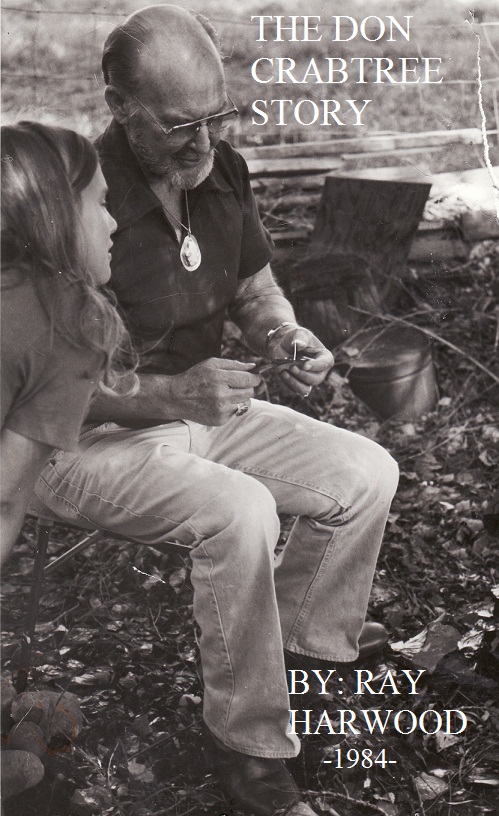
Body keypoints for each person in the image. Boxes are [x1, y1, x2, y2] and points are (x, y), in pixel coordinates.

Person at [34, 7, 399, 815]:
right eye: (177, 126)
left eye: (215, 118)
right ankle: (248, 744)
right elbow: (41, 384)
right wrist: (165, 395)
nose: (200, 143)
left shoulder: (221, 170)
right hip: (84, 442)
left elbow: (250, 286)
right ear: (117, 105)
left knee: (364, 473)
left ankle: (301, 651)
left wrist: (283, 334)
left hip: (200, 410)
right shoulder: (75, 200)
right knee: (241, 511)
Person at [1, 122, 135, 566]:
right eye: (100, 202)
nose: (113, 223)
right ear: (54, 210)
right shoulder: (68, 323)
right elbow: (3, 497)